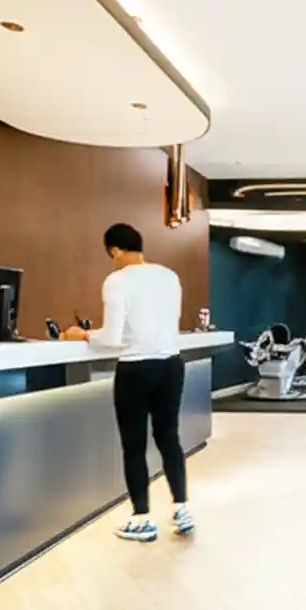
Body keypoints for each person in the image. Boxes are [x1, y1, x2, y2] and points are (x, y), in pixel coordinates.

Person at [63, 223, 194, 542]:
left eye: (112, 255)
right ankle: (181, 509)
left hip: (136, 368)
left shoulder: (117, 280)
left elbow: (111, 338)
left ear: (115, 250)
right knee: (169, 437)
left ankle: (142, 519)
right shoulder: (169, 276)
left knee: (134, 444)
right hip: (171, 366)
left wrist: (82, 334)